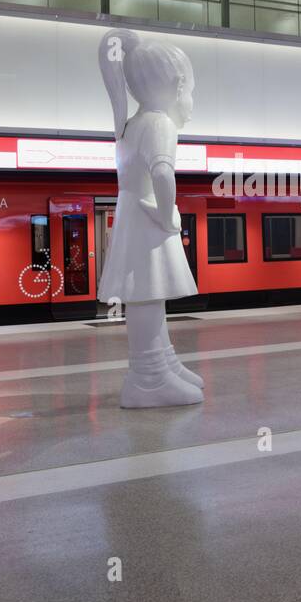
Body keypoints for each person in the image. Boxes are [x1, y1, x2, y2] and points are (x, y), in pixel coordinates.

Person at [97, 29, 204, 408]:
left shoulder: (130, 125)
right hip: (147, 221)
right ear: (177, 87)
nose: (192, 101)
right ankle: (148, 377)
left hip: (132, 217)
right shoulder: (160, 124)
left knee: (149, 296)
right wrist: (166, 215)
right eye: (192, 90)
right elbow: (162, 174)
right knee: (146, 295)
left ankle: (162, 364)